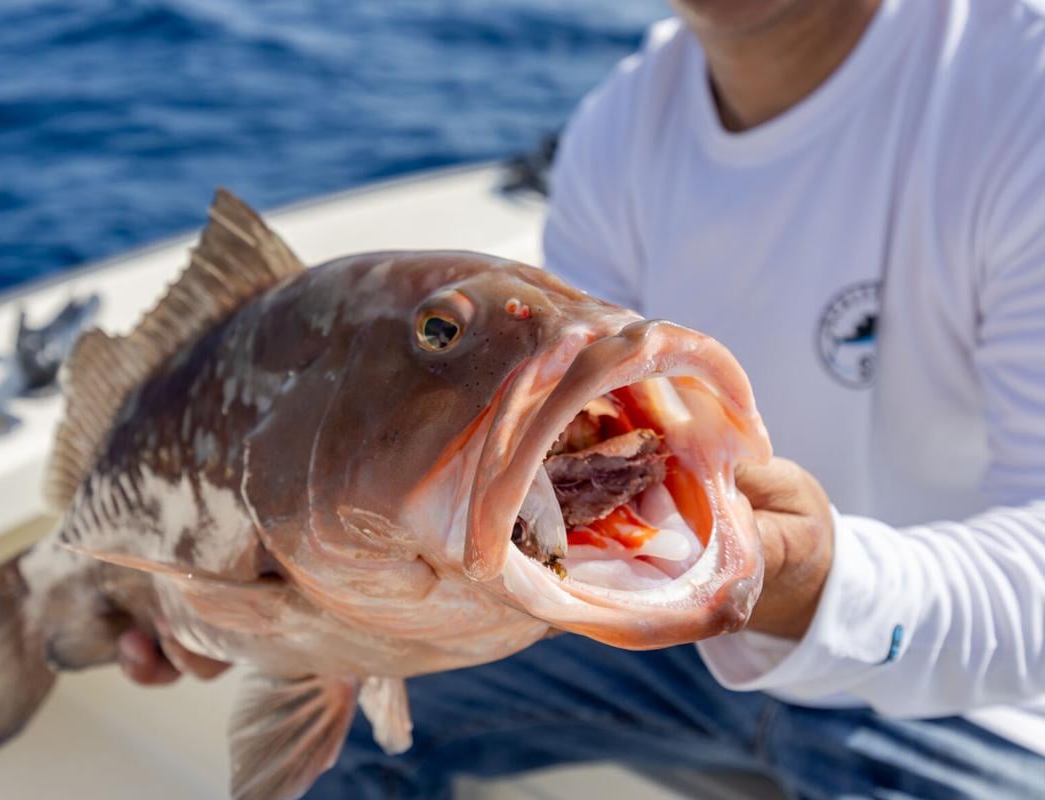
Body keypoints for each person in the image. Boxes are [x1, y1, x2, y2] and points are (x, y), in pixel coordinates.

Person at [126, 0, 1045, 796]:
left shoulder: (1017, 93)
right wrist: (292, 606)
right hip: (656, 635)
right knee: (341, 746)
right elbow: (531, 442)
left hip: (971, 703)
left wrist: (814, 585)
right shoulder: (621, 127)